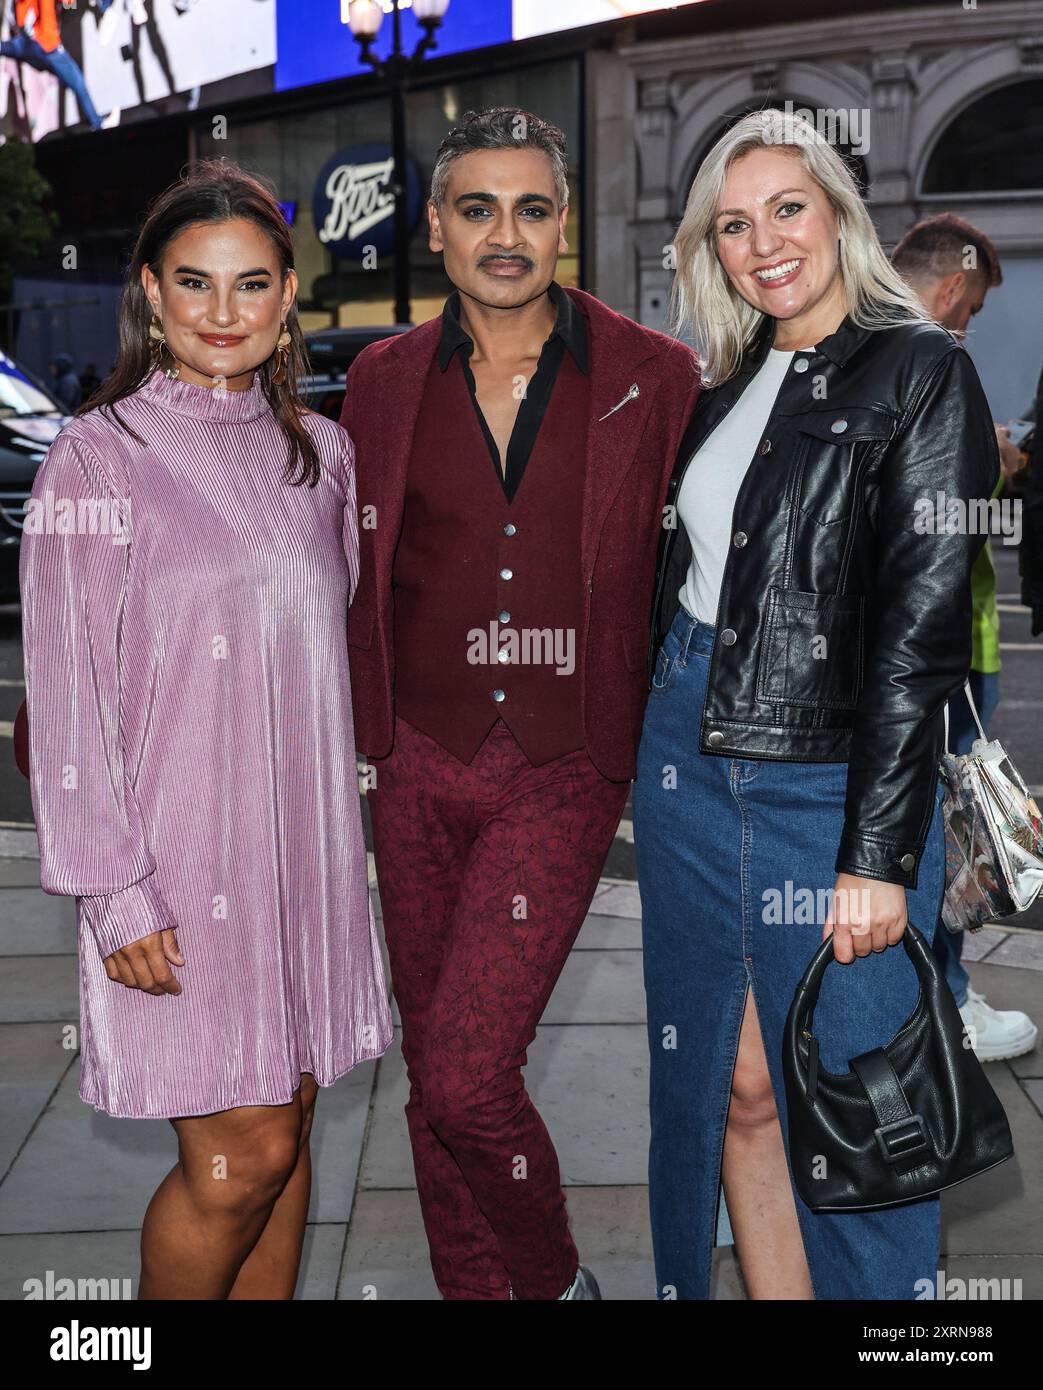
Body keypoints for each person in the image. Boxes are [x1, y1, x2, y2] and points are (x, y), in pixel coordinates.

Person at [633, 108, 999, 1300]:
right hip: (688, 764)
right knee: (728, 1087)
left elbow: (918, 634)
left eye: (785, 208)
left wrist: (878, 855)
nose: (761, 242)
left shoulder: (923, 369)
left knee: (855, 1104)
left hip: (827, 783)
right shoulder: (730, 381)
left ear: (839, 213)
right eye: (731, 225)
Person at [341, 106, 700, 1301]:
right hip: (413, 766)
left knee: (465, 1073)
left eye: (532, 208)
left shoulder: (654, 375)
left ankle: (550, 1286)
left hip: (562, 765)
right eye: (478, 208)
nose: (506, 233)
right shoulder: (380, 380)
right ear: (436, 228)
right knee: (429, 1070)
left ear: (562, 227)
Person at [18, 158, 392, 1298]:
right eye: (194, 284)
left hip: (305, 864)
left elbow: (324, 656)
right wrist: (113, 888)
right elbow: (67, 694)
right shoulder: (96, 456)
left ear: (288, 297)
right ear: (149, 293)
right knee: (241, 1157)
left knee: (289, 1137)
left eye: (250, 284)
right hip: (174, 868)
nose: (222, 313)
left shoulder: (322, 456)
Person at [893, 213, 1038, 1061]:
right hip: (947, 638)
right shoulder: (932, 353)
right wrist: (998, 464)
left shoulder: (858, 339)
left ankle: (934, 998)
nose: (969, 319)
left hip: (919, 640)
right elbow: (947, 509)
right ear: (953, 282)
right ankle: (945, 1006)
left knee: (929, 827)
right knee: (953, 832)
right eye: (973, 304)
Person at [1, 1, 119, 132]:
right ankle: (97, 124)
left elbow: (21, 19)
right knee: (78, 84)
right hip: (49, 47)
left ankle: (65, 80)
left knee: (6, 47)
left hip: (27, 46)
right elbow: (69, 3)